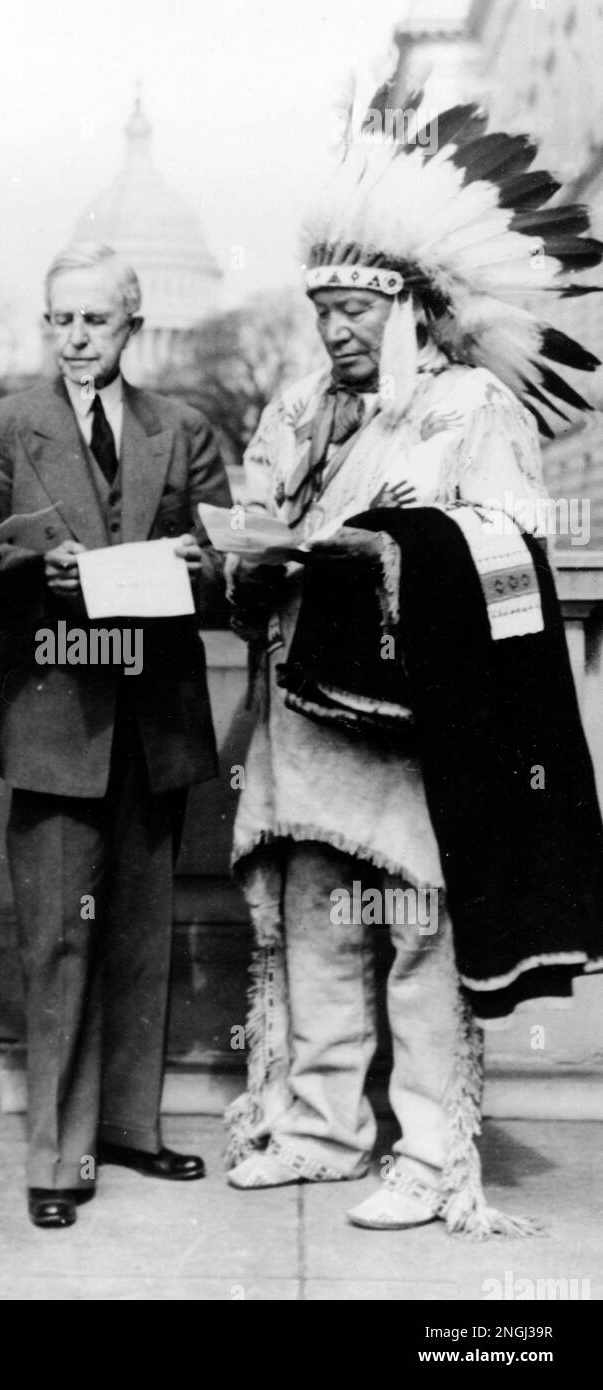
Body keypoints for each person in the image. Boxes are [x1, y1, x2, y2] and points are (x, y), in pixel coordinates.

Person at [223, 84, 603, 1235]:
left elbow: (514, 554)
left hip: (412, 726)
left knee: (416, 932)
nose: (334, 332)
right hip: (300, 718)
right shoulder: (297, 407)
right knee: (317, 924)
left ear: (409, 311)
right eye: (322, 311)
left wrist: (395, 549)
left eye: (354, 313)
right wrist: (259, 552)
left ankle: (431, 1149)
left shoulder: (470, 408)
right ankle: (321, 1129)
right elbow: (249, 525)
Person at [0, 242, 232, 1227]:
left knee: (146, 934)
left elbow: (224, 570)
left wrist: (190, 567)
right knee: (60, 939)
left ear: (131, 324)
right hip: (58, 714)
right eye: (60, 319)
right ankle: (56, 1159)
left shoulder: (182, 428)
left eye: (95, 321)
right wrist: (33, 572)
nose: (75, 338)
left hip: (154, 718)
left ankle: (128, 1127)